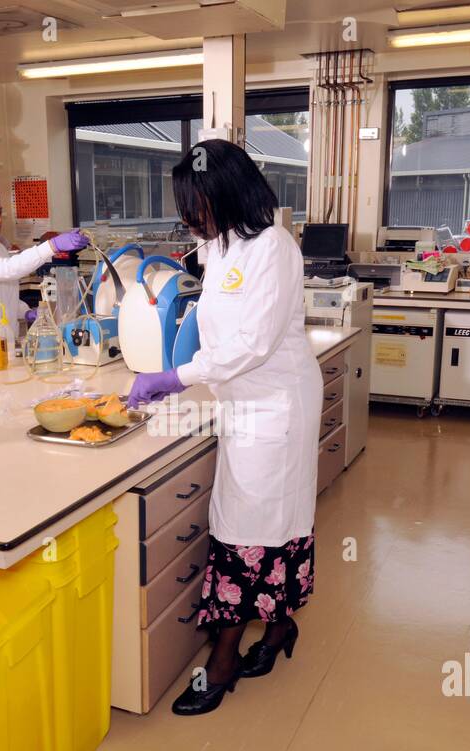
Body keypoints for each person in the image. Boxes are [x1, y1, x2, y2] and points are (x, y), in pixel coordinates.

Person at [127, 139, 322, 716]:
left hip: (275, 405)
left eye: (197, 204)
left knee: (247, 526)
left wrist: (176, 377)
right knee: (265, 521)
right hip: (242, 402)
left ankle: (224, 659)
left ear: (227, 192)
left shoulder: (273, 249)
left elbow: (252, 343)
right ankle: (280, 627)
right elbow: (209, 315)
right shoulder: (220, 245)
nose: (191, 217)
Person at [0, 186, 87, 377]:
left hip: (0, 344)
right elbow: (8, 269)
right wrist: (52, 246)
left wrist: (25, 312)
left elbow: (4, 292)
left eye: (0, 213)